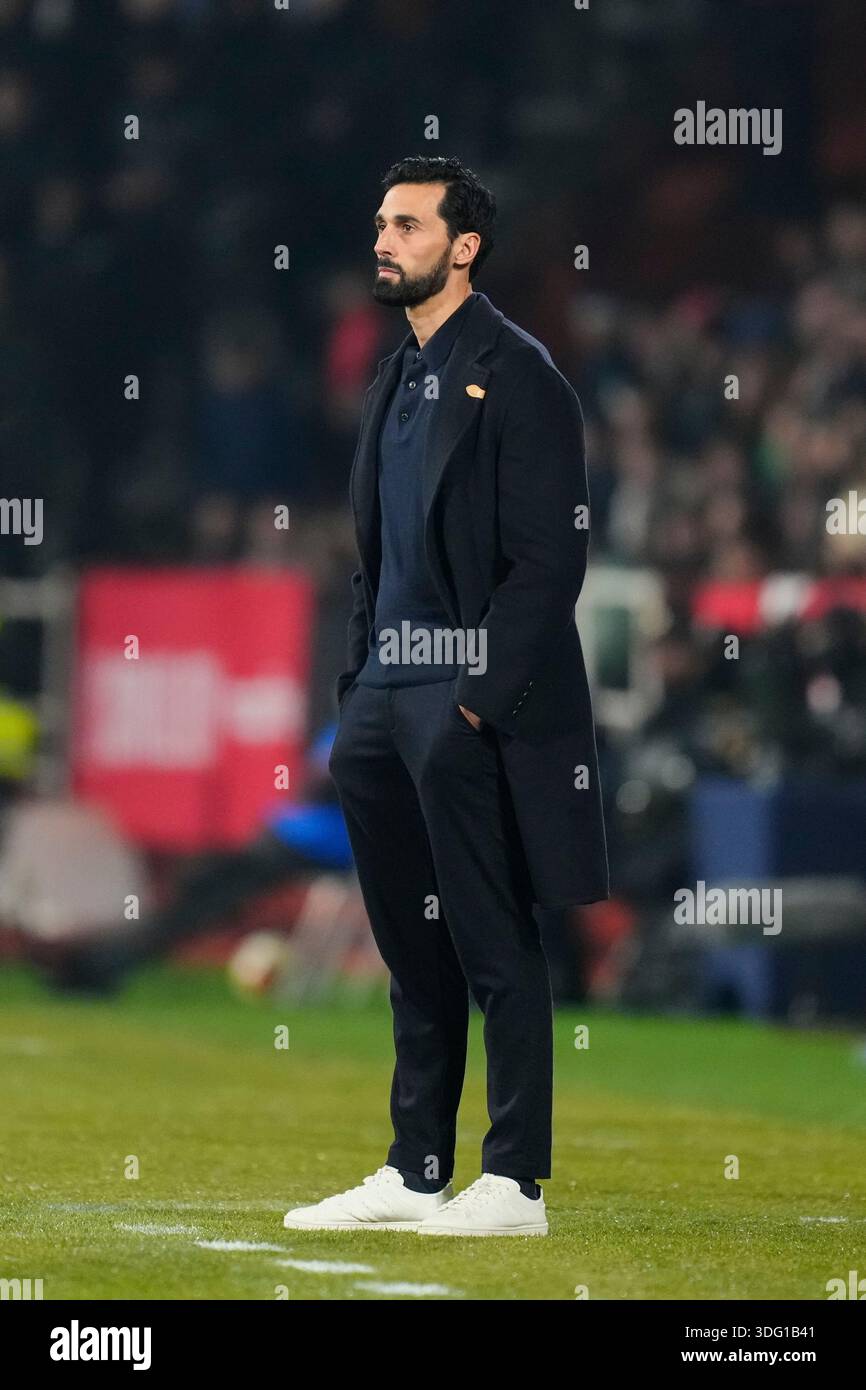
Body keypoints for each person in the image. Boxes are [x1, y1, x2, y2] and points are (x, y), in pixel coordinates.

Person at [283, 155, 608, 1239]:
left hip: (460, 692)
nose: (383, 239)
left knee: (488, 935)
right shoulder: (394, 377)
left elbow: (547, 561)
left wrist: (476, 697)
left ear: (462, 246)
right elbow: (373, 557)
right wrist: (357, 682)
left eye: (407, 224)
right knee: (406, 947)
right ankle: (415, 1164)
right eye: (379, 222)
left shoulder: (519, 376)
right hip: (381, 696)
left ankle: (512, 1180)